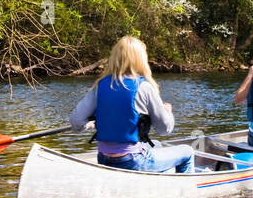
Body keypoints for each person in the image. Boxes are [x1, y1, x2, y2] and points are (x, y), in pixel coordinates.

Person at [70, 36, 194, 173]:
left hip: (104, 158)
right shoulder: (143, 86)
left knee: (156, 145)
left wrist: (93, 123)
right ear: (141, 60)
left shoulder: (100, 86)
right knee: (187, 152)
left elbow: (75, 121)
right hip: (132, 161)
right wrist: (168, 111)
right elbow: (164, 130)